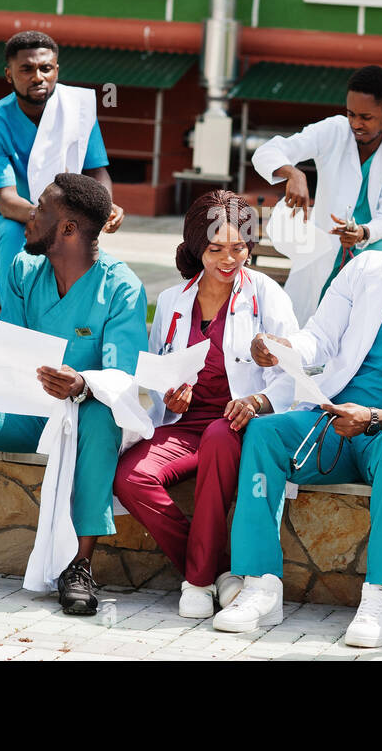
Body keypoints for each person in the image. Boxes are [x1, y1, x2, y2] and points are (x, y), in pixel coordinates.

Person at [213, 189, 382, 647]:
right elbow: (321, 336)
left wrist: (377, 416)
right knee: (263, 433)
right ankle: (260, 586)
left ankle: (381, 595)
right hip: (330, 419)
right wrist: (286, 349)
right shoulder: (368, 269)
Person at [0, 173, 147, 613]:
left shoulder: (122, 288)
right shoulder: (22, 269)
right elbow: (7, 352)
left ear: (69, 229)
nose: (28, 218)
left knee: (99, 414)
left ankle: (79, 566)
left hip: (81, 417)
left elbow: (122, 378)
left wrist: (81, 383)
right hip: (23, 412)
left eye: (40, 211)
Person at [116, 191, 298, 618]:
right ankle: (218, 572)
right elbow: (157, 370)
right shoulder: (174, 301)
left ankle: (196, 584)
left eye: (239, 248)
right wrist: (169, 394)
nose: (228, 259)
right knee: (131, 479)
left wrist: (258, 400)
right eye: (216, 249)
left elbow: (294, 369)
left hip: (239, 426)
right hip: (183, 425)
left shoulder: (266, 294)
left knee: (219, 435)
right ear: (198, 247)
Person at [251, 64, 382, 324]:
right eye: (351, 114)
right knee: (308, 324)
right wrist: (294, 174)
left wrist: (363, 233)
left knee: (365, 322)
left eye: (365, 117)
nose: (355, 124)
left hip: (374, 246)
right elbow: (268, 152)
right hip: (325, 247)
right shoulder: (333, 130)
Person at [0, 31, 124, 300]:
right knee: (12, 236)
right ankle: (12, 326)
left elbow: (96, 171)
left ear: (56, 70)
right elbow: (7, 201)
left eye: (45, 68)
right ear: (9, 74)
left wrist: (104, 207)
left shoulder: (78, 110)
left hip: (68, 220)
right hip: (14, 221)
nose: (38, 77)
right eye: (26, 69)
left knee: (87, 257)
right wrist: (54, 219)